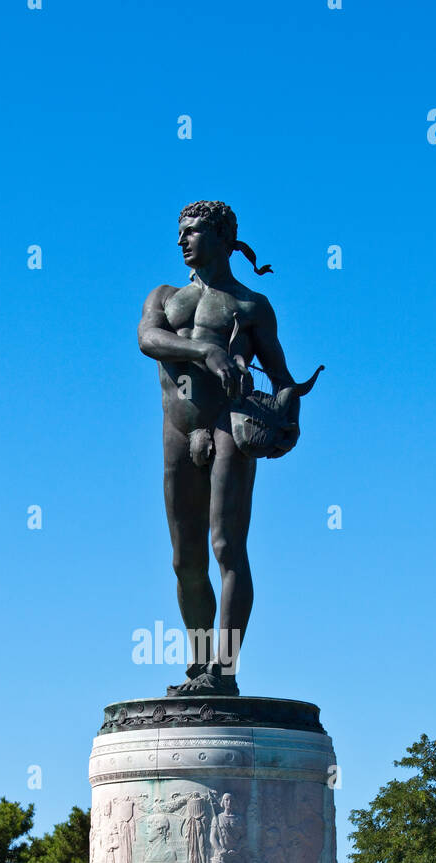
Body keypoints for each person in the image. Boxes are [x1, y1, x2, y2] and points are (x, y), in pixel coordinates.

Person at [137, 200, 303, 696]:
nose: (182, 240)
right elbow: (148, 340)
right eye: (180, 232)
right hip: (178, 430)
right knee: (185, 560)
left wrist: (288, 412)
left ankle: (223, 672)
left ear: (222, 236)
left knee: (227, 547)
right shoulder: (164, 297)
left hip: (229, 425)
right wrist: (207, 351)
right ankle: (199, 664)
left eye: (192, 232)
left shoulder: (251, 305)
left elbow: (281, 377)